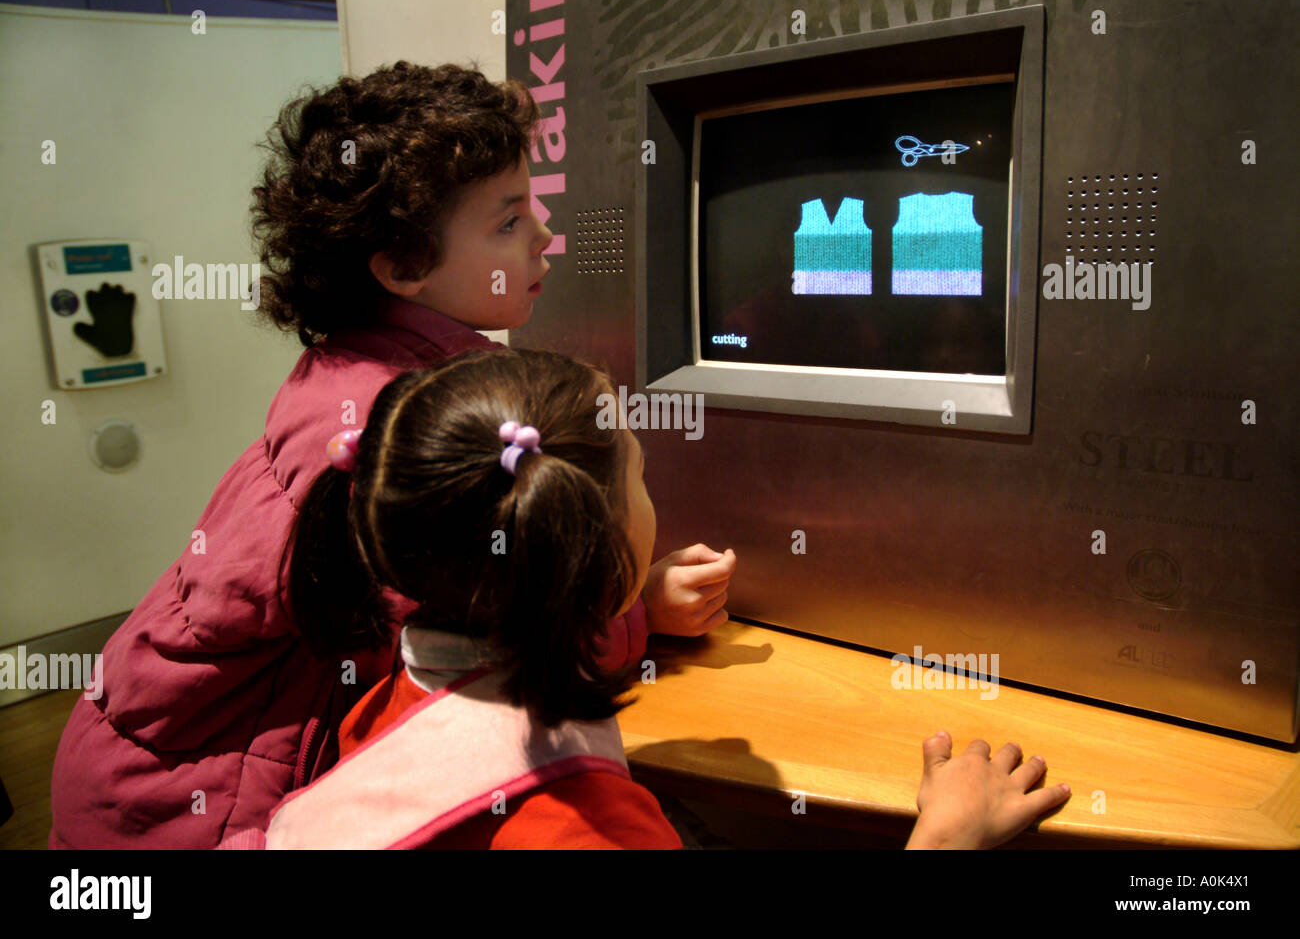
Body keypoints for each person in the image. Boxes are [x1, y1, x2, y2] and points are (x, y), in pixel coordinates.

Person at [49, 61, 734, 848]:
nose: (546, 232)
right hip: (185, 796)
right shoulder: (388, 417)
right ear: (402, 266)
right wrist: (630, 607)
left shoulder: (370, 372)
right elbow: (478, 634)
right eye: (508, 221)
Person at [230, 348, 1067, 849]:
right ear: (585, 538)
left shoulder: (388, 703)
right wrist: (945, 838)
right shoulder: (586, 826)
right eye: (638, 469)